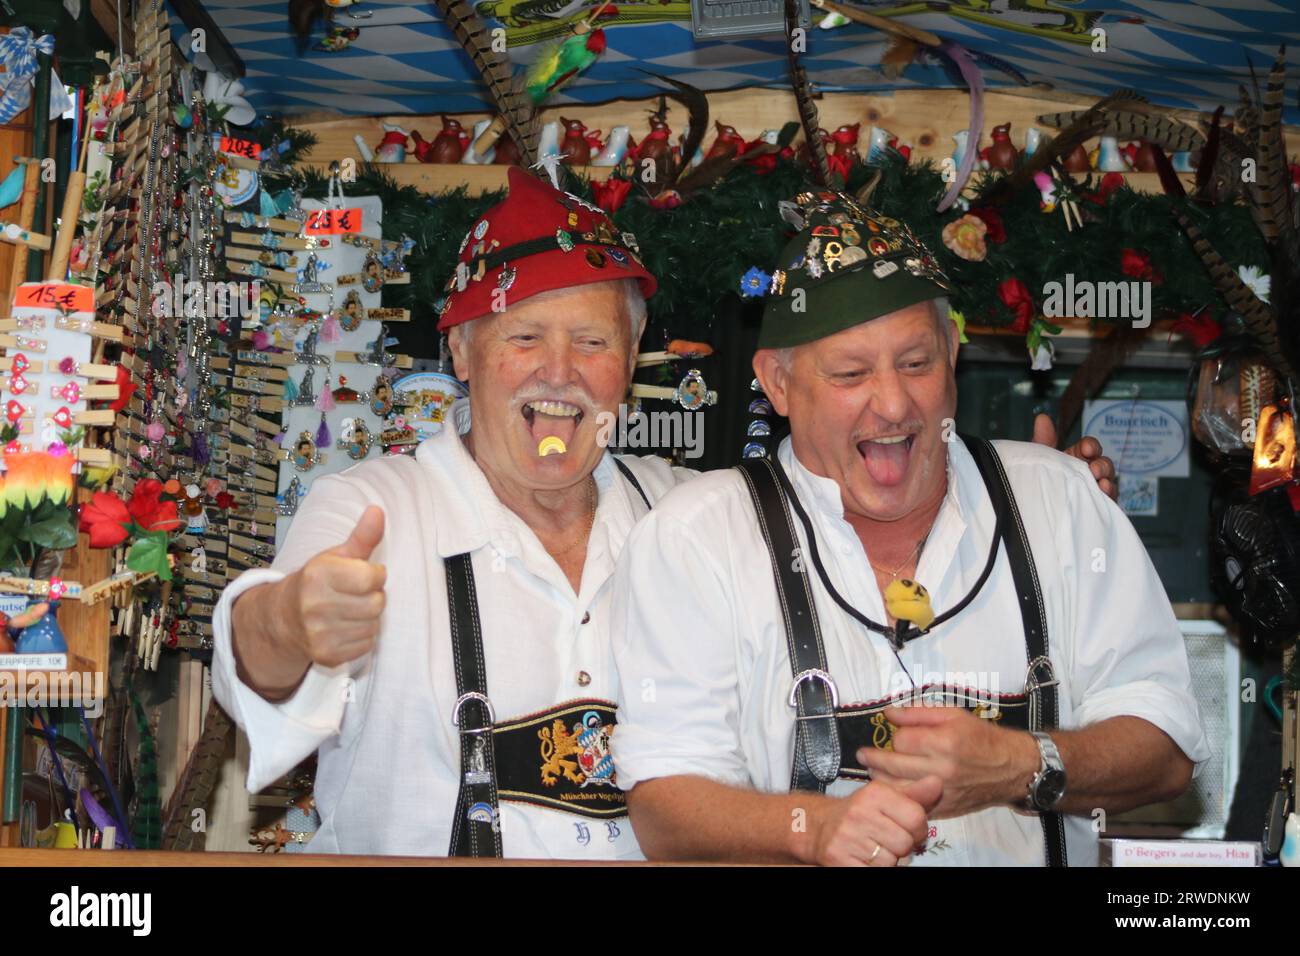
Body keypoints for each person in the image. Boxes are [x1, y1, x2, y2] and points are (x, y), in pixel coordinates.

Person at [210, 170, 1117, 859]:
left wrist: (1041, 507)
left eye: (594, 341)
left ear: (632, 362)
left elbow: (874, 525)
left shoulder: (697, 511)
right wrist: (290, 620)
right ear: (461, 350)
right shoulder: (374, 508)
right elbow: (258, 665)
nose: (558, 371)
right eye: (524, 337)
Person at [609, 187, 1209, 867]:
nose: (893, 404)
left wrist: (1025, 763)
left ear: (953, 351)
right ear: (777, 383)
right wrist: (815, 829)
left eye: (917, 363)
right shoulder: (697, 538)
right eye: (850, 373)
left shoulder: (1060, 502)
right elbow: (664, 811)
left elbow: (1167, 750)